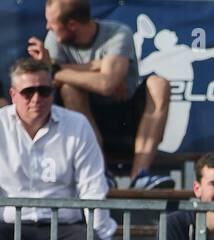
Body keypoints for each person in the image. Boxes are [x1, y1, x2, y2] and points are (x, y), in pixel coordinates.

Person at [0, 57, 116, 240]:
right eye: (28, 92)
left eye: (45, 90)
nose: (37, 98)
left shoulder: (76, 126)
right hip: (10, 225)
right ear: (13, 95)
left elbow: (93, 189)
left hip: (63, 227)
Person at [27, 0, 172, 188]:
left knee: (159, 84)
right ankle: (100, 172)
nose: (48, 27)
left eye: (52, 22)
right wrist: (98, 67)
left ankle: (141, 176)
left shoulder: (118, 33)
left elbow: (106, 84)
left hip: (128, 121)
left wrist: (55, 69)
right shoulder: (54, 38)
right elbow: (50, 82)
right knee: (70, 90)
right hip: (86, 124)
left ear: (72, 25)